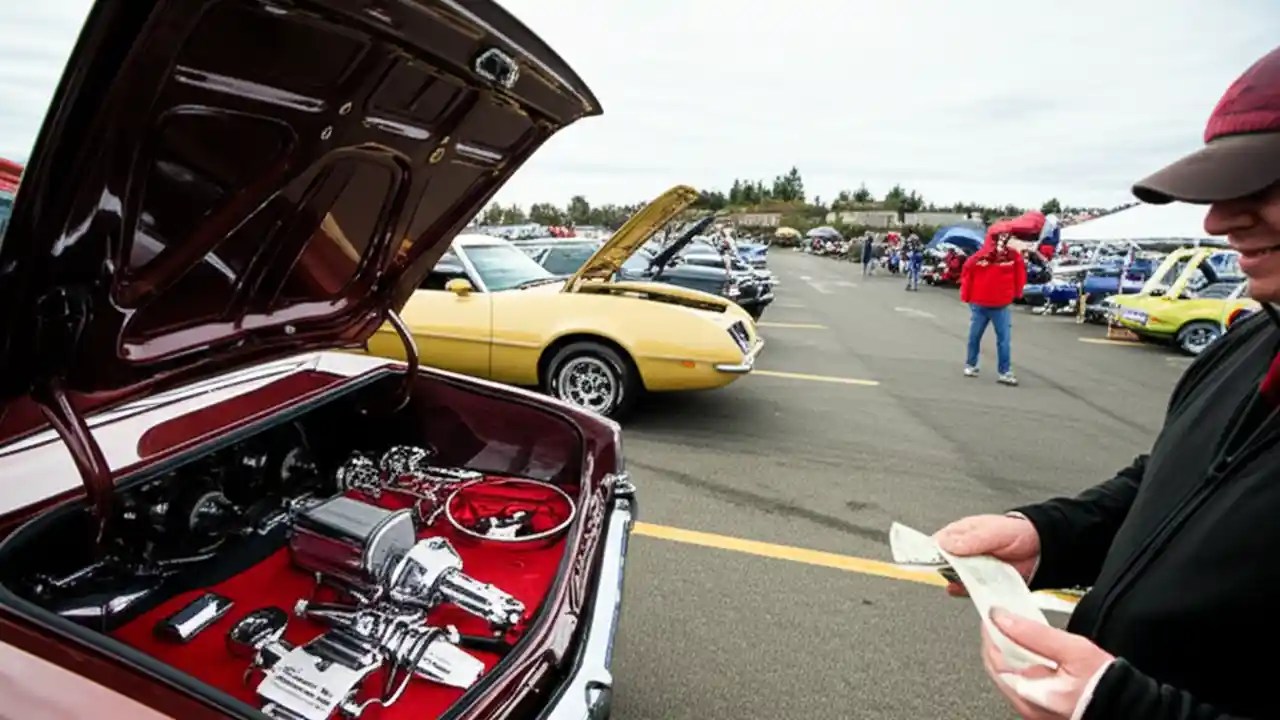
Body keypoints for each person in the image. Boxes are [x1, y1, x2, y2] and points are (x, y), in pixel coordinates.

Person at [935, 44, 1280, 719]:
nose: (1217, 219)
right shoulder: (1250, 341)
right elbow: (1174, 484)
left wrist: (1123, 709)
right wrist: (1046, 536)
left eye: (1264, 184)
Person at [959, 231, 1026, 385]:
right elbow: (967, 270)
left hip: (999, 305)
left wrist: (1016, 293)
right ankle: (972, 364)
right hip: (981, 304)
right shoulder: (980, 256)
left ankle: (1004, 371)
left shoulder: (1013, 257)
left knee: (1002, 340)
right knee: (975, 337)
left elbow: (1019, 274)